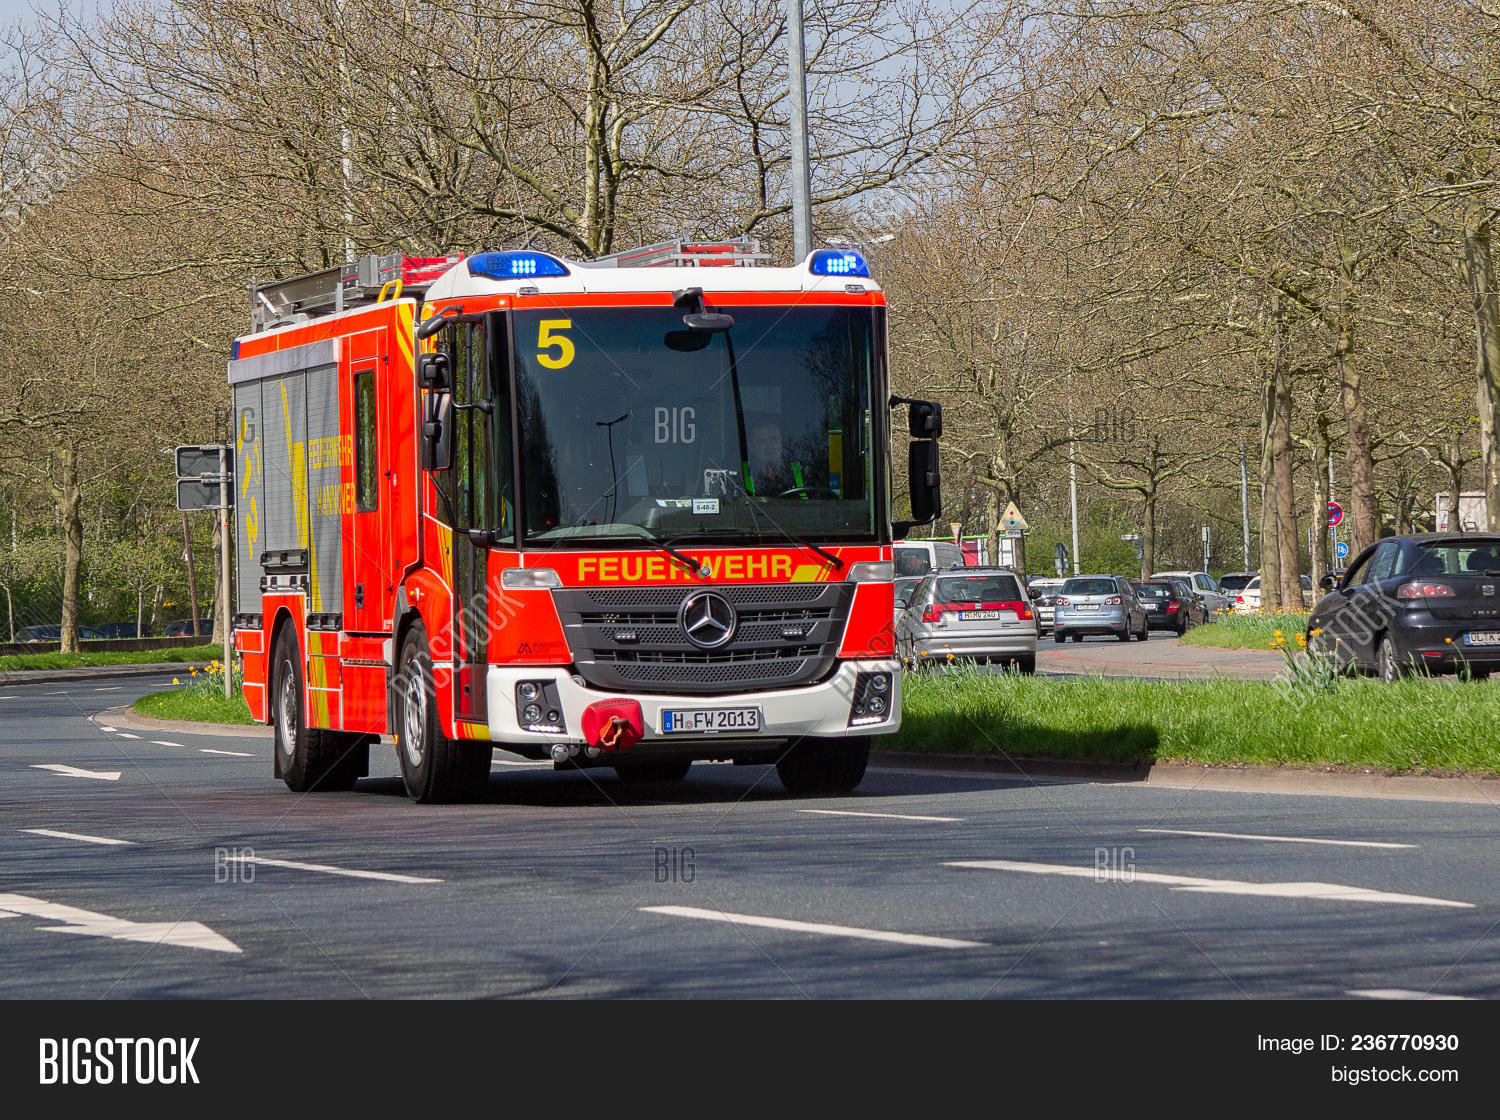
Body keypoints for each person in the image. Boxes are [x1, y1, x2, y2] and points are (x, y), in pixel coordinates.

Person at [746, 419, 804, 496]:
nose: (770, 446)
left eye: (773, 439)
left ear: (781, 441)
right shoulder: (745, 477)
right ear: (751, 447)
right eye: (762, 441)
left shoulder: (798, 472)